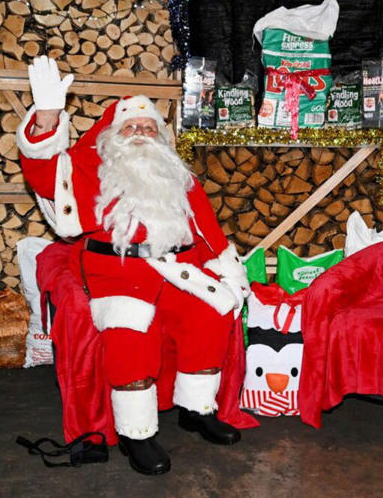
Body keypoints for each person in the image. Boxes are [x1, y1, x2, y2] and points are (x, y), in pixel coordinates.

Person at [16, 56, 251, 475]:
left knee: (209, 313)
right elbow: (42, 171)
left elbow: (207, 229)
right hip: (117, 274)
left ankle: (196, 409)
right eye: (131, 127)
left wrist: (229, 273)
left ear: (160, 137)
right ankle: (136, 433)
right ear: (113, 136)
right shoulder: (90, 169)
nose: (140, 134)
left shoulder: (177, 176)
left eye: (148, 128)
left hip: (177, 269)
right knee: (131, 331)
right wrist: (47, 118)